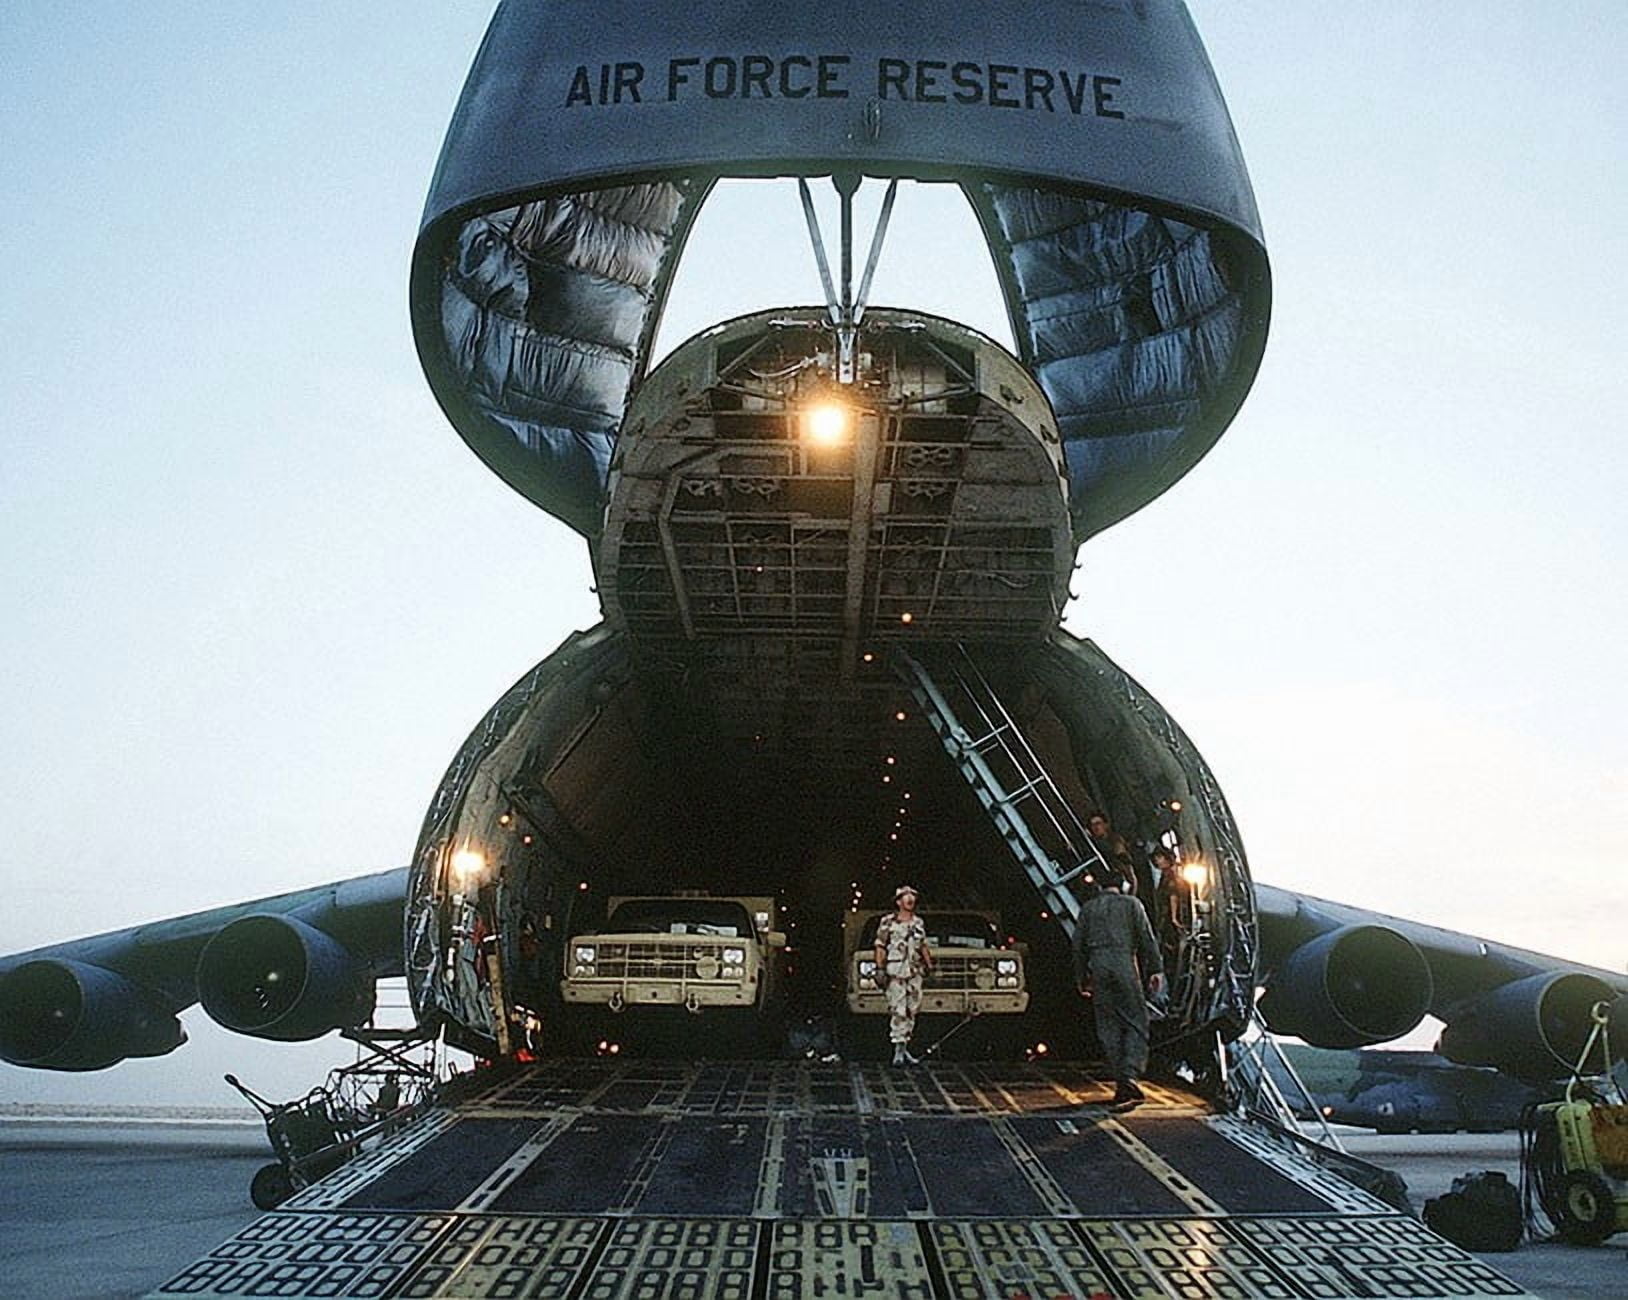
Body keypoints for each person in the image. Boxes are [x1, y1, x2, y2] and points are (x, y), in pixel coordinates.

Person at [1072, 879, 1165, 1108]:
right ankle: (1130, 1074)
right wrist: (1156, 969)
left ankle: (1121, 1082)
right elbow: (1146, 937)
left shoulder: (1088, 909)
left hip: (1098, 964)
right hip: (1124, 962)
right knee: (1136, 1021)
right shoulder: (1132, 904)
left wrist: (1081, 977)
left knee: (1107, 1025)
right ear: (1122, 885)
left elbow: (1077, 946)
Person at [873, 884, 933, 1066]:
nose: (910, 900)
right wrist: (880, 968)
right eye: (906, 897)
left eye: (912, 897)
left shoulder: (918, 923)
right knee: (898, 1010)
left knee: (911, 1010)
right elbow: (880, 945)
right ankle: (898, 1051)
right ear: (899, 901)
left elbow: (922, 945)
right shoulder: (888, 922)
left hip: (914, 971)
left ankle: (904, 1047)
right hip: (896, 972)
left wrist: (929, 964)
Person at [1086, 812, 1136, 894]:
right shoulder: (1092, 845)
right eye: (1093, 825)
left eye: (1098, 823)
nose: (1096, 827)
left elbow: (1123, 859)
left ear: (1105, 825)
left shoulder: (1115, 840)